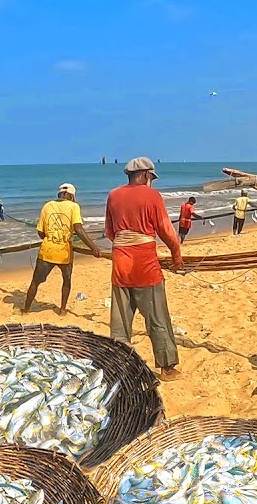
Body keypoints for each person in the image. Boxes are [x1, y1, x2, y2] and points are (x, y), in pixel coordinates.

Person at [105, 158, 184, 381]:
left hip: (120, 263)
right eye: (151, 178)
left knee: (120, 322)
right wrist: (176, 256)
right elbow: (166, 230)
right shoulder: (152, 196)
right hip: (145, 265)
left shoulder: (113, 195)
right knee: (157, 317)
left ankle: (118, 368)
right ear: (146, 175)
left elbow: (110, 232)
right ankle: (167, 368)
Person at [22, 183, 104, 315]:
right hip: (64, 251)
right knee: (66, 281)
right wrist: (94, 248)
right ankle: (62, 310)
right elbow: (78, 229)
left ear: (59, 194)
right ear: (71, 196)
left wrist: (51, 239)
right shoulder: (74, 206)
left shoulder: (47, 205)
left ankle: (25, 310)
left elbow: (40, 232)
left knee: (35, 282)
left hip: (47, 250)